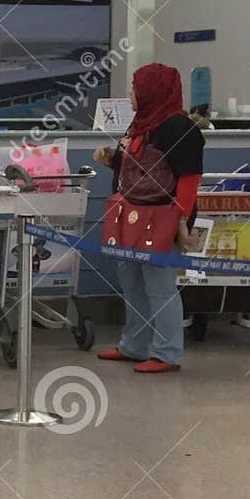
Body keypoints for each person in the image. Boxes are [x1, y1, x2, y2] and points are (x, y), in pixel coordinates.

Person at [95, 62, 205, 374]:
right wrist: (112, 159)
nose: (130, 92)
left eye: (134, 86)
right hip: (131, 214)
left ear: (151, 91)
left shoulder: (181, 130)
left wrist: (181, 223)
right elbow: (142, 169)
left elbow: (188, 180)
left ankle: (167, 352)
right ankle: (134, 345)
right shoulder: (142, 125)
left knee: (159, 286)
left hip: (163, 217)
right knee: (131, 282)